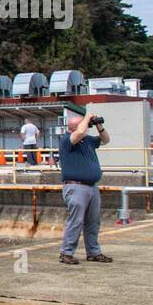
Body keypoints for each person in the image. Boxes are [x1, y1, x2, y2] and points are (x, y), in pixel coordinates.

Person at [57, 111, 112, 266]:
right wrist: (88, 117)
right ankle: (66, 253)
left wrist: (99, 126)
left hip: (91, 187)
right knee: (76, 221)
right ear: (74, 127)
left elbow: (106, 140)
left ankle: (94, 252)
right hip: (76, 187)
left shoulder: (87, 140)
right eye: (85, 124)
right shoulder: (67, 140)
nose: (87, 127)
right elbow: (80, 131)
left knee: (93, 221)